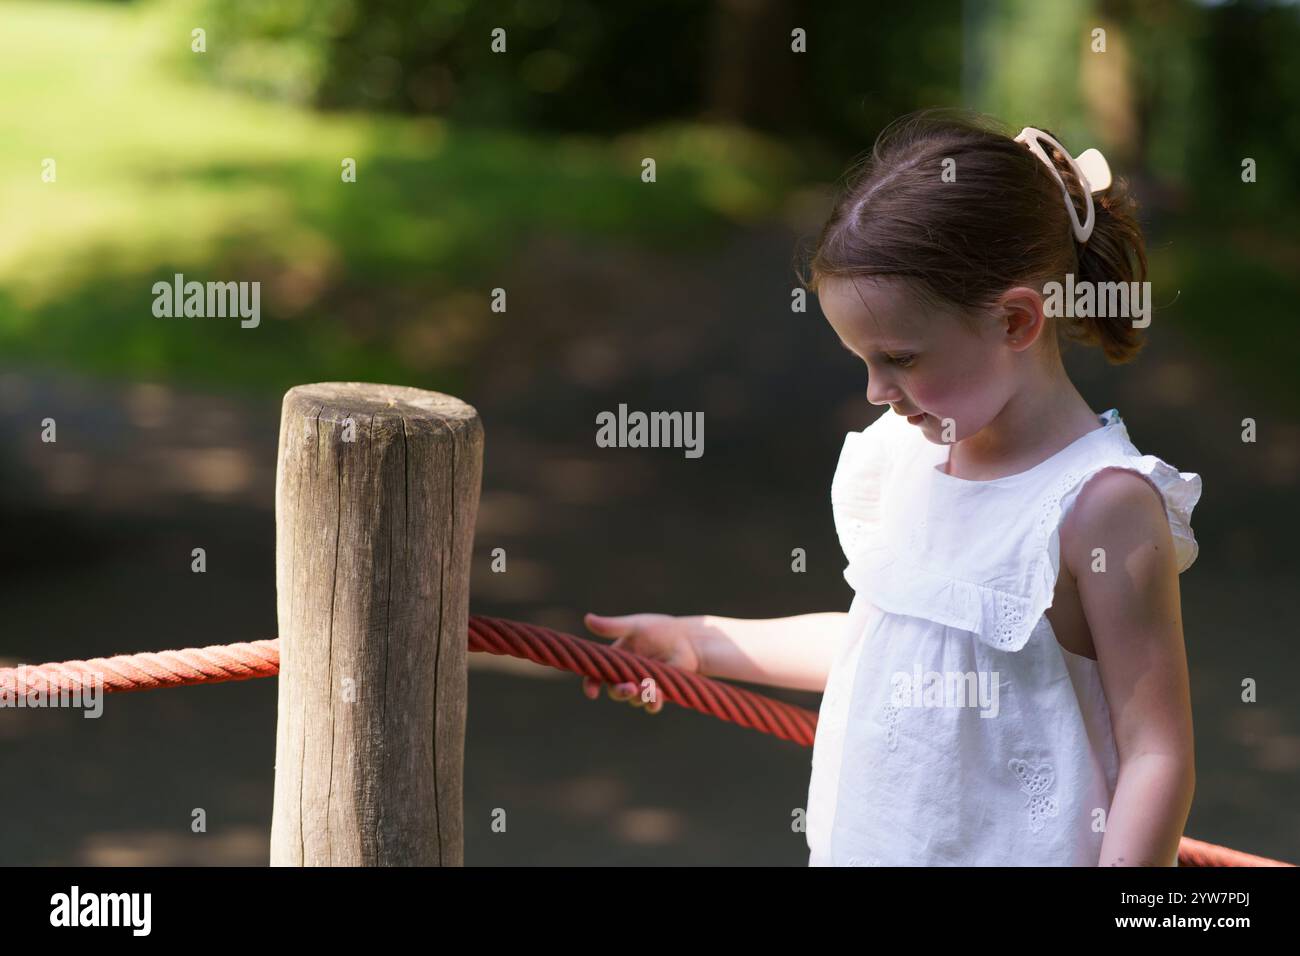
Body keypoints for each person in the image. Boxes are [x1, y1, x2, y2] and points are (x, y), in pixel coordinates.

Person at [582, 110, 1201, 867]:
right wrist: (702, 640)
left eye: (900, 358)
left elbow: (1157, 756)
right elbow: (897, 647)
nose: (877, 391)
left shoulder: (1100, 506)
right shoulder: (905, 459)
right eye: (862, 360)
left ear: (1014, 321)